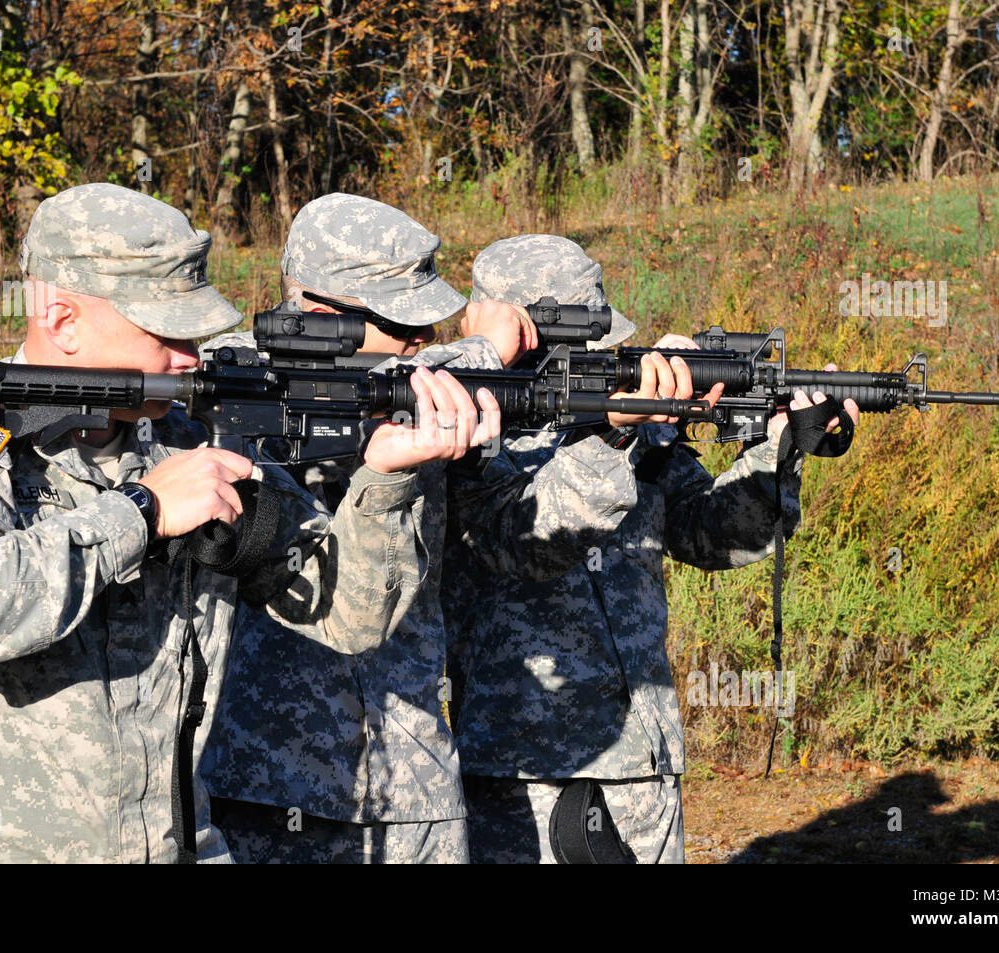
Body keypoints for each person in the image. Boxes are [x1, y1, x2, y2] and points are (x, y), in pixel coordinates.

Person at [0, 183, 495, 863]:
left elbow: (348, 613)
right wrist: (141, 513)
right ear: (62, 319)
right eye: (165, 333)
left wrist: (387, 478)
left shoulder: (189, 434)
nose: (192, 356)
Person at [199, 194, 668, 862]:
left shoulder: (434, 407)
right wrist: (480, 353)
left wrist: (607, 435)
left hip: (414, 789)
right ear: (321, 313)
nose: (423, 338)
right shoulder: (230, 386)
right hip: (268, 791)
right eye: (402, 320)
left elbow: (518, 538)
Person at [442, 234, 862, 863]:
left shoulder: (629, 425)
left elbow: (711, 535)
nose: (596, 354)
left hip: (643, 759)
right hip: (526, 765)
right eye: (577, 342)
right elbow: (524, 544)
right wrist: (614, 437)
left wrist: (780, 452)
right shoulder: (472, 436)